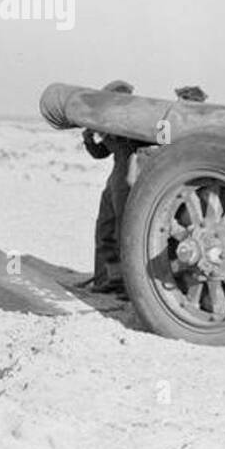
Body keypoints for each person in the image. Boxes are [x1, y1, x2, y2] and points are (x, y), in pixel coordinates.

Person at [83, 79, 139, 294]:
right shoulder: (111, 124)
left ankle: (129, 285)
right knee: (105, 228)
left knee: (123, 230)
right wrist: (89, 140)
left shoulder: (135, 123)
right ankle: (111, 278)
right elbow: (101, 153)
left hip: (129, 178)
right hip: (115, 180)